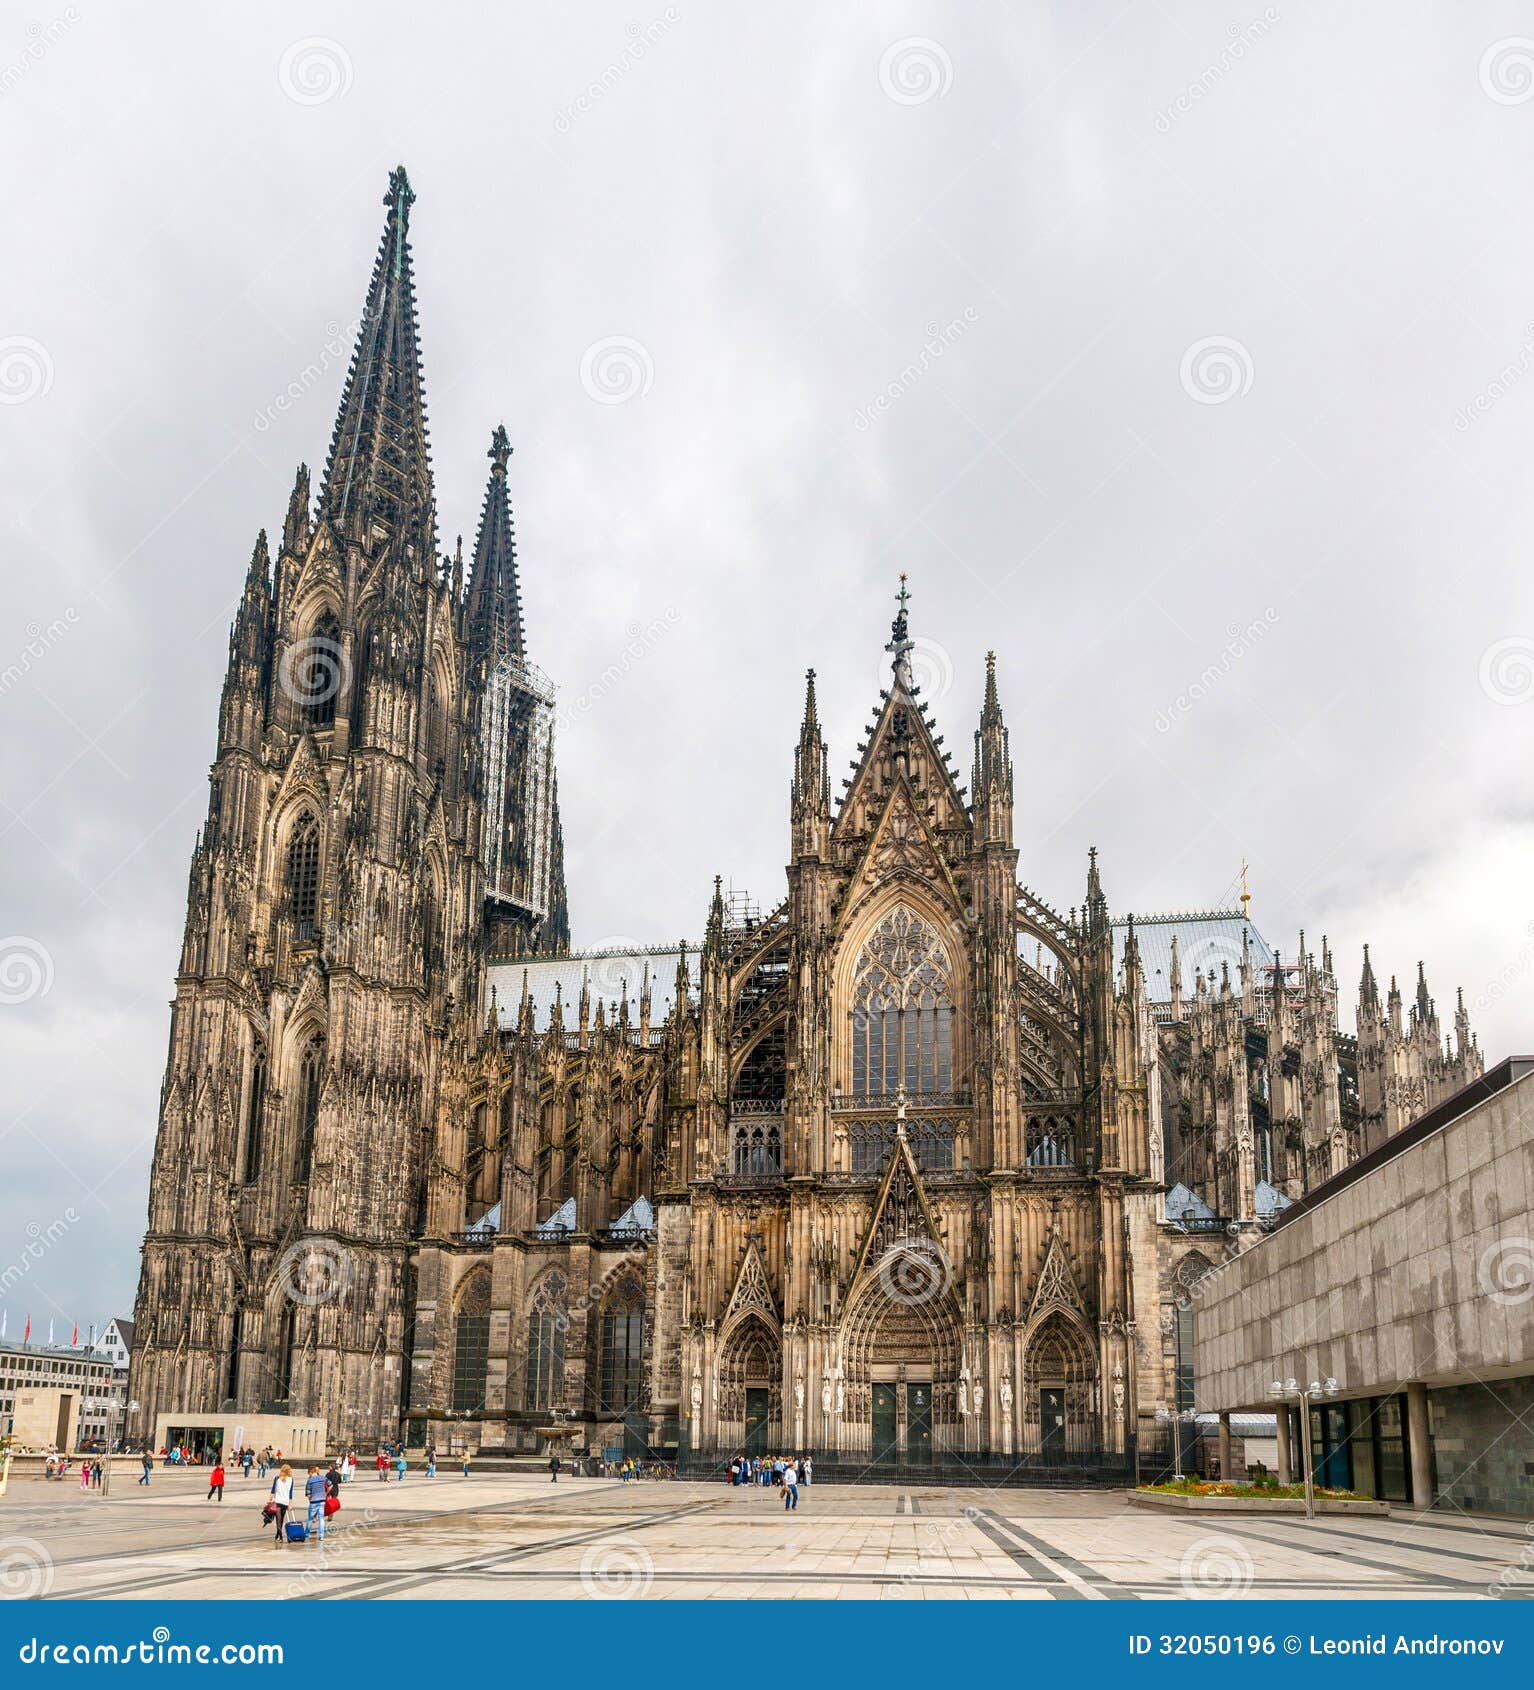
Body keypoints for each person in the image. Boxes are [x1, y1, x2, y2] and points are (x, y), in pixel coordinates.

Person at [270, 1465, 294, 1544]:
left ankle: (280, 1536)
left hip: (278, 1501)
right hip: (285, 1502)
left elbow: (273, 1490)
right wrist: (290, 1504)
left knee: (278, 1520)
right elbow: (290, 1493)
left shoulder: (277, 1478)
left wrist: (270, 1499)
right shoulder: (291, 1479)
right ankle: (278, 1535)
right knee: (281, 1519)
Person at [304, 1465, 328, 1541]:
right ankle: (321, 1536)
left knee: (310, 1519)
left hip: (314, 1501)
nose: (309, 1475)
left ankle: (307, 1534)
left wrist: (310, 1499)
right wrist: (326, 1493)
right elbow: (331, 1484)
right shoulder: (323, 1478)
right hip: (322, 1501)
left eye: (309, 1473)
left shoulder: (310, 1480)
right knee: (321, 1519)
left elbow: (308, 1493)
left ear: (311, 1472)